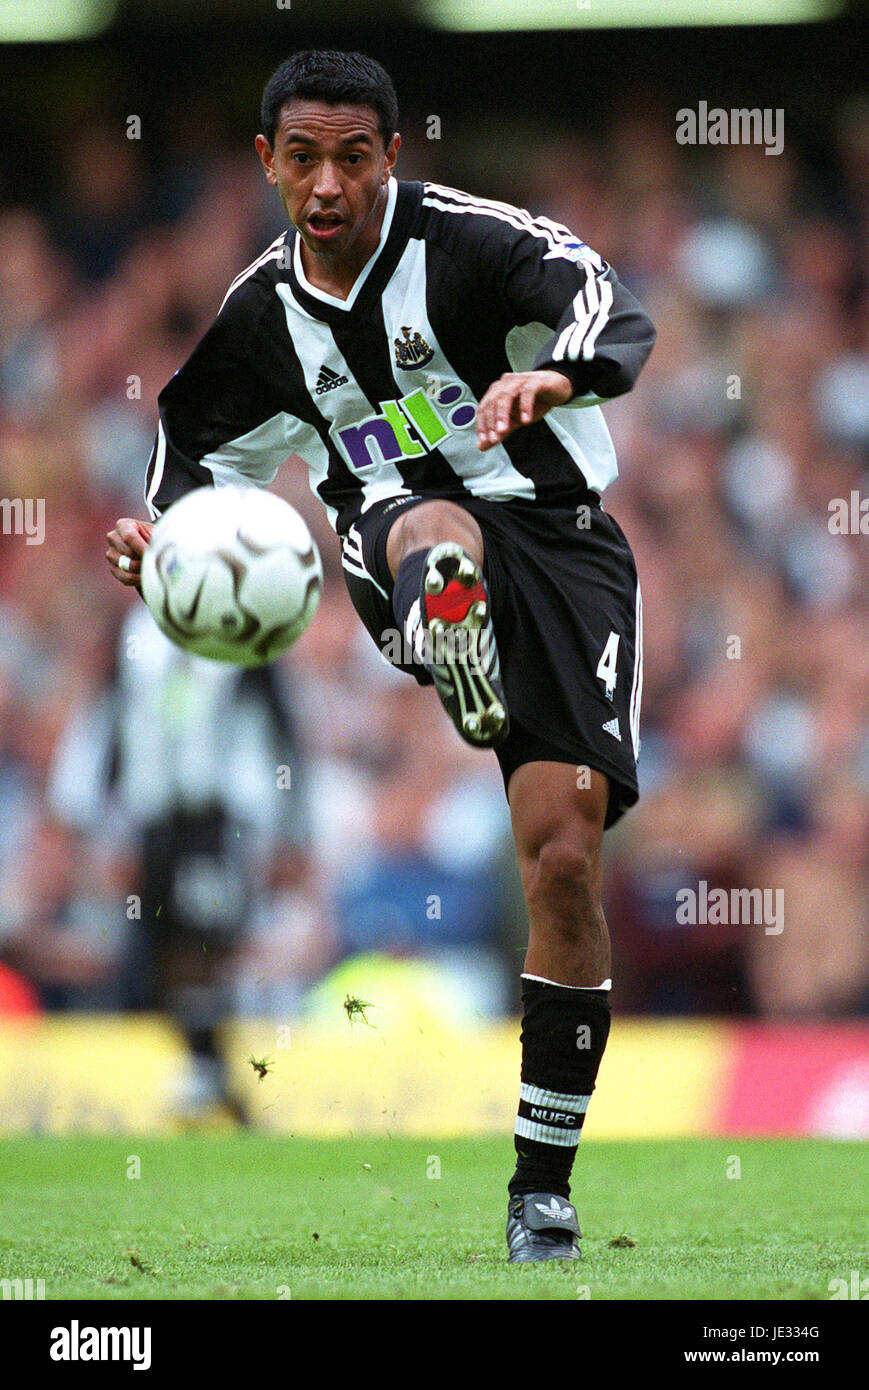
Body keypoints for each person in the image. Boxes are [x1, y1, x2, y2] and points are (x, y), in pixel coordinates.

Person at [105, 48, 656, 1262]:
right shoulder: (261, 318)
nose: (326, 184)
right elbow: (195, 455)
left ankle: (540, 1192)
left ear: (391, 155)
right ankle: (440, 616)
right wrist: (165, 542)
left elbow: (601, 296)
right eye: (300, 158)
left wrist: (557, 369)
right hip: (395, 536)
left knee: (561, 857)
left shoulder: (471, 244)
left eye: (352, 156)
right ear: (268, 162)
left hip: (562, 546)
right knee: (420, 513)